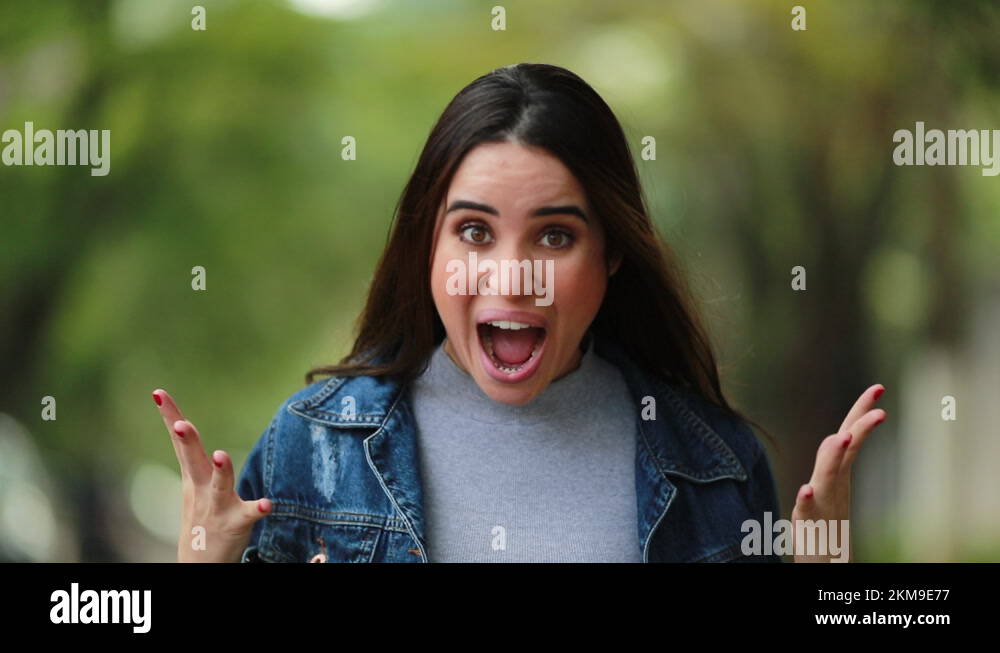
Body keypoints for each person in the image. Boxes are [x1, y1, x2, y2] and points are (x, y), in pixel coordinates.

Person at [151, 63, 887, 563]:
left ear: (613, 255)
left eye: (556, 234)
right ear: (427, 248)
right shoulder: (312, 448)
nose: (513, 273)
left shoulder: (716, 469)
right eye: (474, 230)